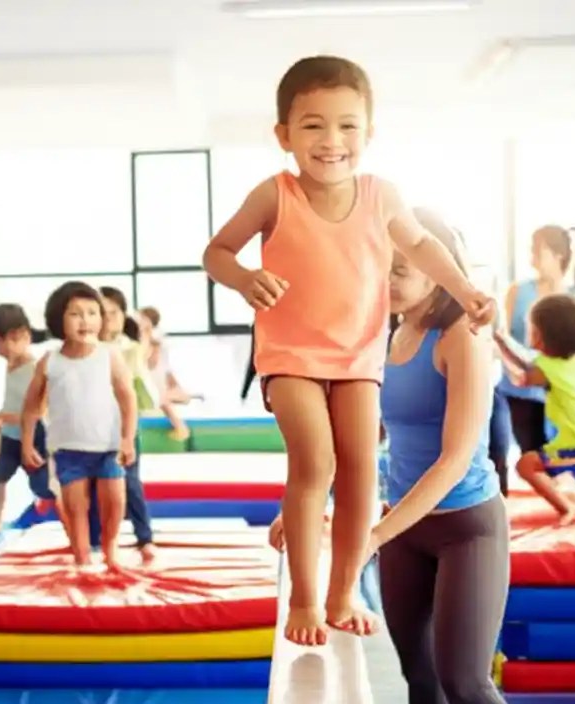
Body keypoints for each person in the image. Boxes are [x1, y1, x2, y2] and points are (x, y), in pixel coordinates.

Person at [202, 55, 495, 646]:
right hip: (290, 357)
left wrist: (464, 289)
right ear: (284, 135)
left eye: (346, 126)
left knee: (363, 469)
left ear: (368, 133)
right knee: (317, 464)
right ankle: (305, 601)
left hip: (359, 358)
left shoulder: (381, 195)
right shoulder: (274, 194)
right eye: (312, 125)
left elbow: (422, 243)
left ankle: (343, 593)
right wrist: (242, 278)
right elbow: (217, 252)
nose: (330, 141)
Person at [271, 210, 514, 704]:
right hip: (405, 530)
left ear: (439, 269)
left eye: (403, 268)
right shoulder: (385, 336)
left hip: (466, 527)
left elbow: (453, 461)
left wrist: (372, 536)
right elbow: (361, 439)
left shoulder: (463, 338)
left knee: (465, 682)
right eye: (383, 264)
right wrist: (307, 504)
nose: (389, 278)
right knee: (420, 676)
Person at [22, 281, 138, 567]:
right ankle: (82, 556)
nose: (85, 320)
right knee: (76, 508)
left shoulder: (109, 354)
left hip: (108, 446)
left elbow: (127, 398)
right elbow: (31, 406)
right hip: (68, 450)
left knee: (115, 502)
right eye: (75, 314)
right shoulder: (50, 361)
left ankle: (110, 550)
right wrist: (26, 443)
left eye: (92, 312)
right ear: (59, 319)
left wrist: (127, 438)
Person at [494, 294, 575, 525]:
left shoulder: (546, 368)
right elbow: (527, 360)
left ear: (544, 338)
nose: (529, 336)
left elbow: (521, 377)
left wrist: (500, 346)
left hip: (572, 443)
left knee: (525, 466)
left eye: (532, 331)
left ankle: (566, 508)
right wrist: (503, 340)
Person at [490, 226, 575, 493]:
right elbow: (508, 340)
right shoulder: (518, 292)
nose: (531, 257)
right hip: (520, 388)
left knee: (569, 457)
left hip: (559, 392)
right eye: (531, 250)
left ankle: (570, 497)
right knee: (518, 453)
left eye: (538, 251)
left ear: (558, 255)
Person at [0, 303, 57, 531]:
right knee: (0, 475)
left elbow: (36, 411)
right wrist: (2, 417)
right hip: (10, 435)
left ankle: (62, 512)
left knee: (43, 484)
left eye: (0, 344)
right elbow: (13, 400)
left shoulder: (35, 368)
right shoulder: (11, 365)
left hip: (34, 434)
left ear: (22, 336)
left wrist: (7, 417)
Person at [96, 286, 158, 563]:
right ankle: (98, 539)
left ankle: (144, 537)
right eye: (103, 313)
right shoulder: (87, 349)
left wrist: (128, 434)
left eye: (115, 312)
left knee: (130, 482)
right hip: (93, 426)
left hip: (124, 427)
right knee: (93, 483)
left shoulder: (129, 349)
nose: (109, 319)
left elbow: (137, 390)